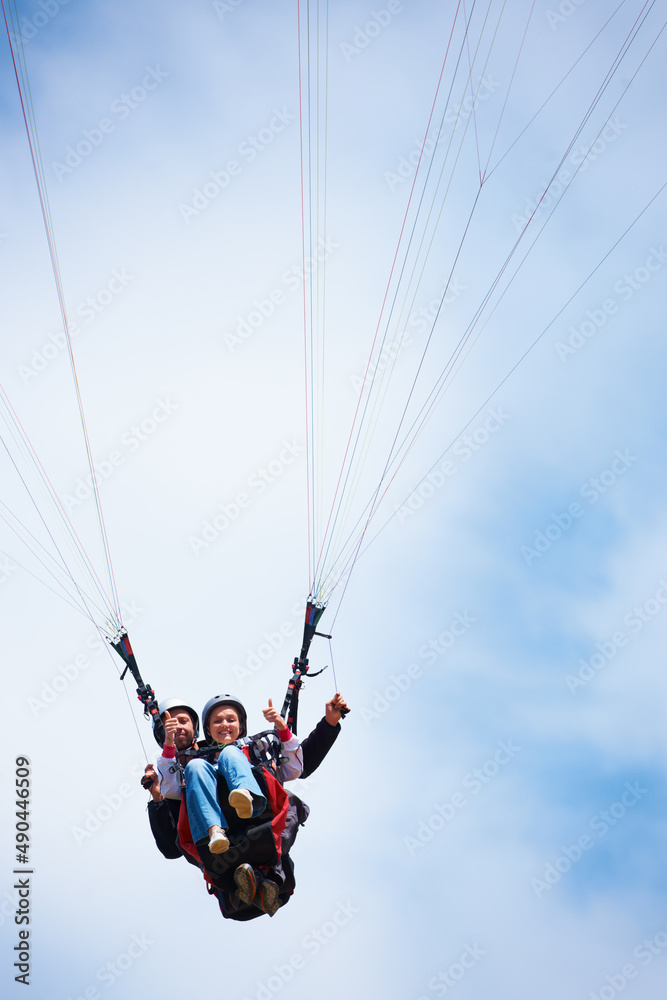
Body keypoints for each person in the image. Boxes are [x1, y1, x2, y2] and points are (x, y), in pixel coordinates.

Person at [143, 691, 349, 918]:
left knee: (230, 753)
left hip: (261, 822)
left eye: (230, 720)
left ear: (241, 726)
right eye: (217, 721)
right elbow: (170, 786)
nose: (224, 725)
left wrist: (326, 723)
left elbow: (298, 764)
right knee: (197, 767)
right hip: (222, 848)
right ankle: (217, 834)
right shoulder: (188, 767)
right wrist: (159, 791)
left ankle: (247, 798)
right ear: (208, 730)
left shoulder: (253, 750)